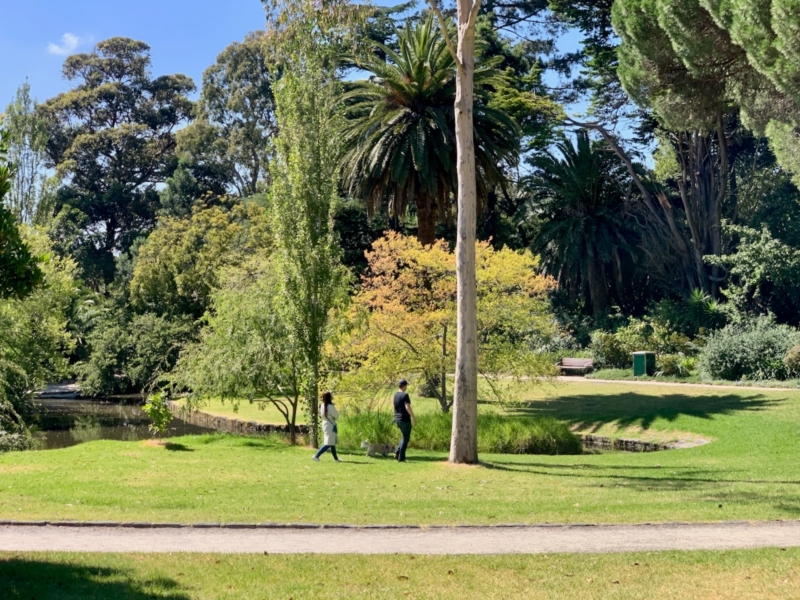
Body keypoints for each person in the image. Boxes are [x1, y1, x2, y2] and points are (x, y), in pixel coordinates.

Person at [312, 391, 341, 462]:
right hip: (330, 425)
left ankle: (336, 459)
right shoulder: (330, 406)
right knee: (328, 443)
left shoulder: (322, 405)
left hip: (325, 423)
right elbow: (336, 416)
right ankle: (316, 456)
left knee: (331, 442)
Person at [393, 379, 417, 462]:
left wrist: (395, 417)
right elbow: (407, 407)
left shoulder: (395, 395)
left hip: (397, 419)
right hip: (405, 419)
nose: (406, 387)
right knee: (406, 438)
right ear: (403, 386)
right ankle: (401, 458)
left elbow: (395, 407)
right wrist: (413, 417)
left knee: (404, 437)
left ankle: (396, 453)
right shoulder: (405, 395)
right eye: (406, 385)